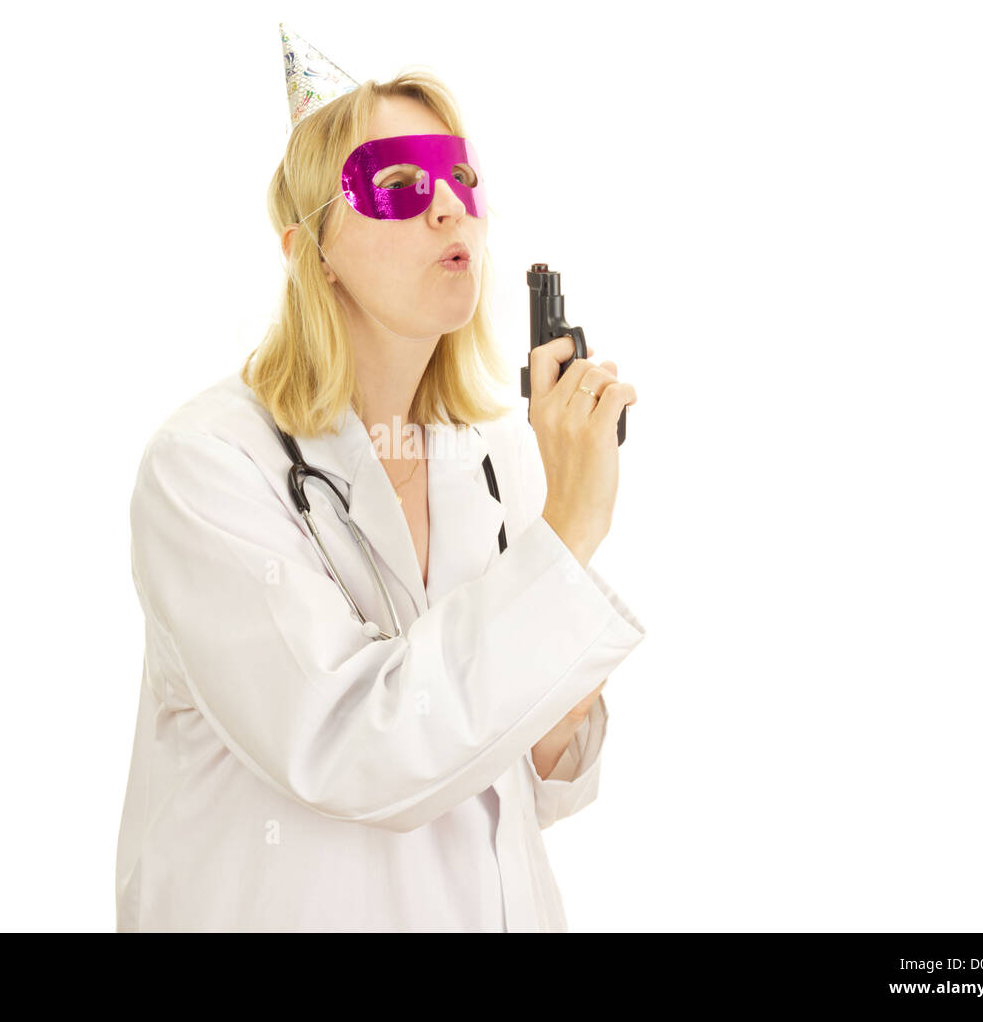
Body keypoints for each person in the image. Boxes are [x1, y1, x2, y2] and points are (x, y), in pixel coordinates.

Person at [115, 54, 644, 932]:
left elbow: (538, 773)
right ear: (311, 252)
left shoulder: (499, 458)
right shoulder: (206, 468)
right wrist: (569, 534)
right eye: (398, 185)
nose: (450, 207)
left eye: (461, 179)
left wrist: (563, 579)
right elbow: (358, 749)